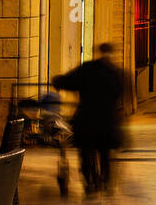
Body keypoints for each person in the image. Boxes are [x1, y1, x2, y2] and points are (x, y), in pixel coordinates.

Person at [52, 43, 127, 194]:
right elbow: (121, 94)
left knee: (86, 152)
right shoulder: (117, 72)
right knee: (105, 152)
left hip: (87, 120)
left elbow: (67, 82)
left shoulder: (87, 69)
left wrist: (56, 80)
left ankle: (90, 182)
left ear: (98, 52)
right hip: (108, 121)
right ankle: (105, 181)